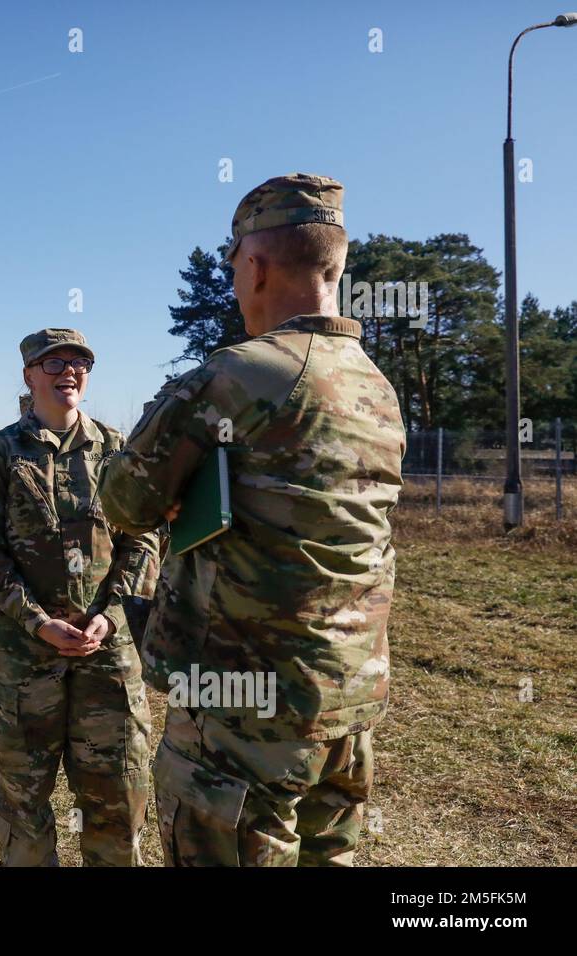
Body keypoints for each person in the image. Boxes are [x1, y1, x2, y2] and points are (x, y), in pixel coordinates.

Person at [100, 173, 406, 866]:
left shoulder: (239, 373)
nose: (237, 283)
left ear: (258, 264)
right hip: (347, 700)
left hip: (243, 705)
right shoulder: (376, 385)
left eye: (236, 266)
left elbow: (125, 500)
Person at [0, 328, 159, 866]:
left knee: (119, 794)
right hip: (25, 657)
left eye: (79, 362)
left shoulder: (116, 449)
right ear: (28, 375)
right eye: (54, 363)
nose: (69, 371)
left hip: (107, 655)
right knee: (25, 798)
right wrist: (37, 622)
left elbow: (141, 540)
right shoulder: (0, 453)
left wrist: (112, 615)